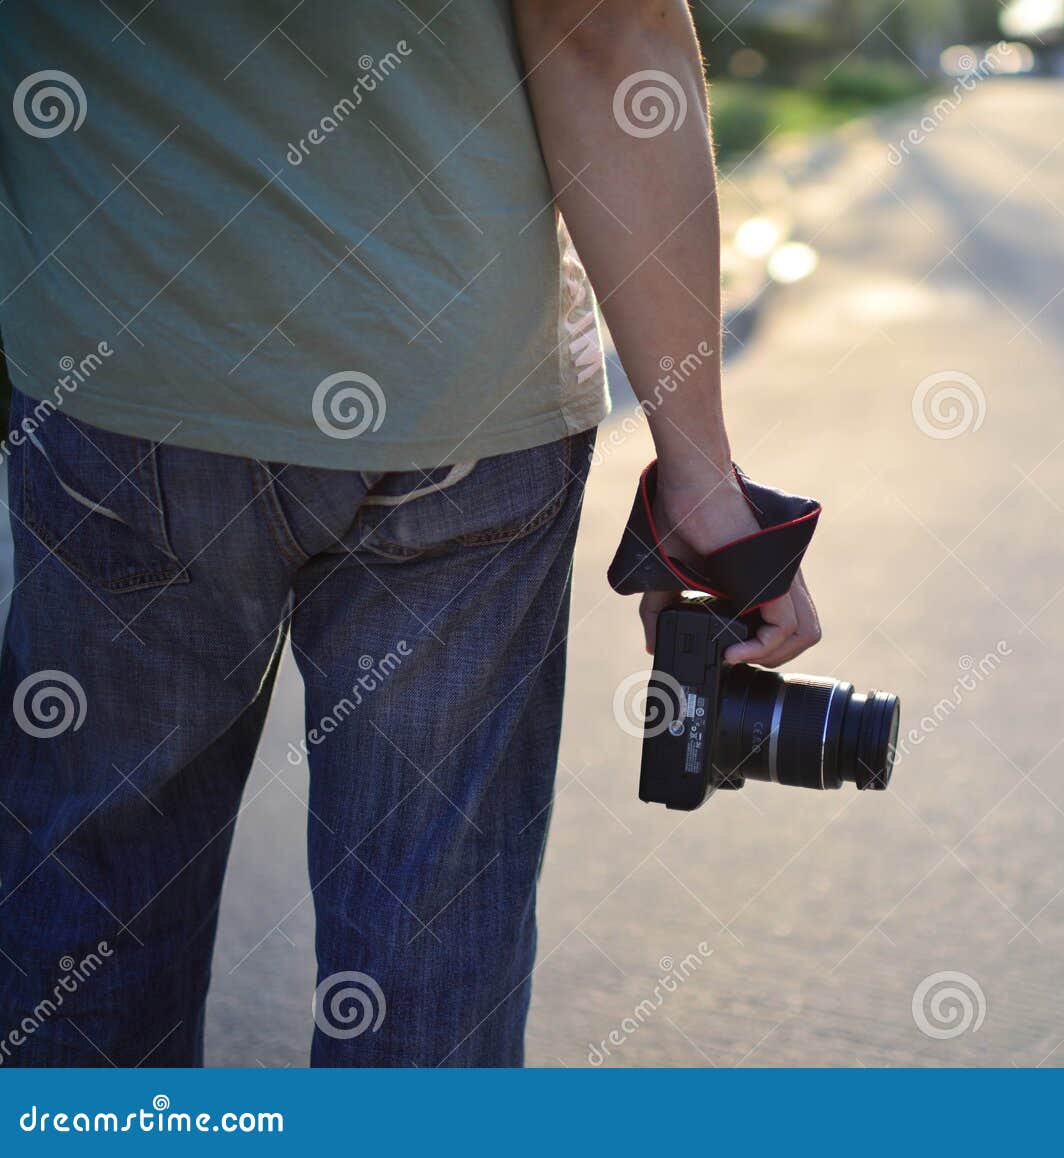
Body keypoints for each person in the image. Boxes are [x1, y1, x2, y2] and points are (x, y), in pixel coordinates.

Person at [0, 0, 819, 1067]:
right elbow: (605, 36)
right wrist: (703, 484)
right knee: (430, 922)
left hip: (122, 382)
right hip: (458, 405)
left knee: (92, 902)